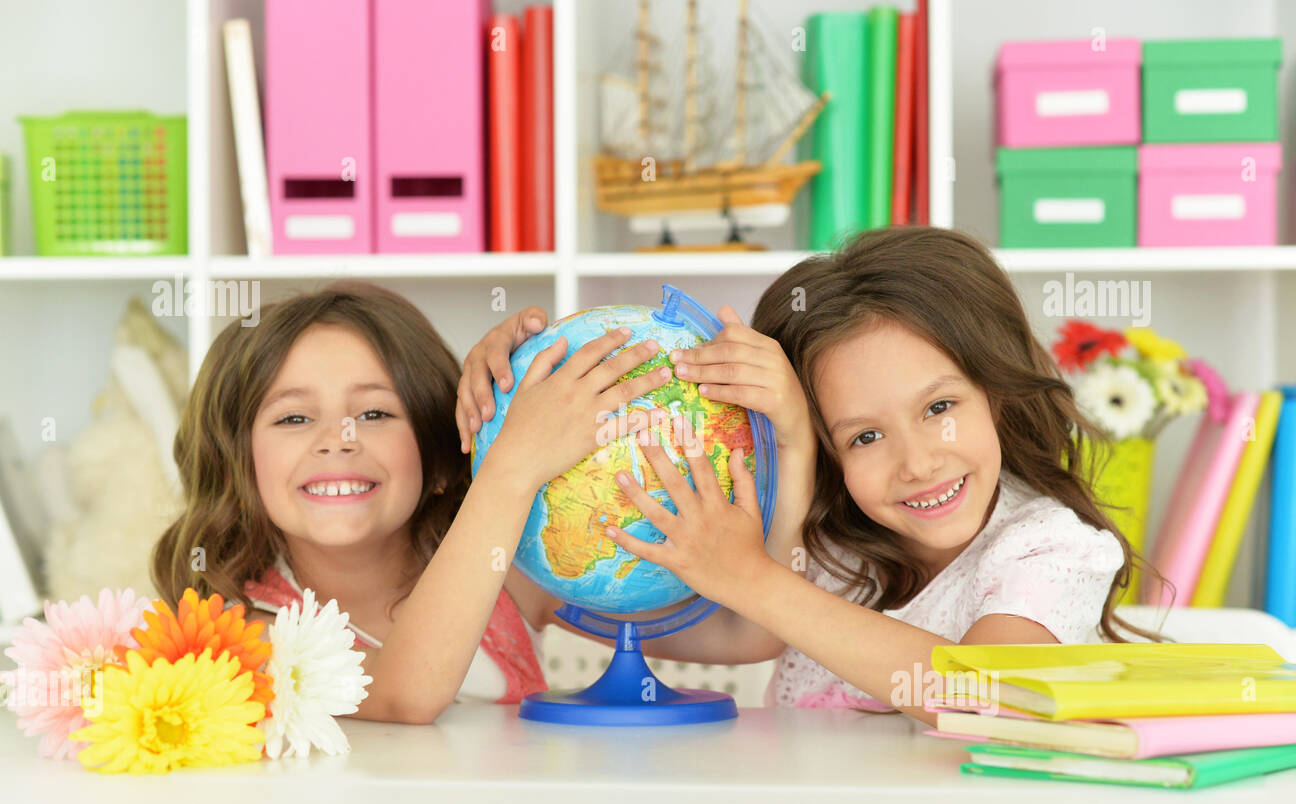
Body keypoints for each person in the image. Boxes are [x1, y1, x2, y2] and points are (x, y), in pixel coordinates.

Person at [458, 227, 1168, 726]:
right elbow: (696, 622)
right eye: (863, 435)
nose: (917, 461)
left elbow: (986, 689)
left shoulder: (1049, 546)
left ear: (998, 393)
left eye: (940, 407)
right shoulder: (832, 550)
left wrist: (754, 580)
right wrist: (514, 387)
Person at [150, 280, 669, 724]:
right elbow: (405, 696)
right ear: (237, 466)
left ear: (438, 455)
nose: (339, 439)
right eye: (293, 418)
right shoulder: (239, 626)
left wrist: (515, 390)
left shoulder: (508, 566)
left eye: (375, 414)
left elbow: (738, 635)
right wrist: (512, 464)